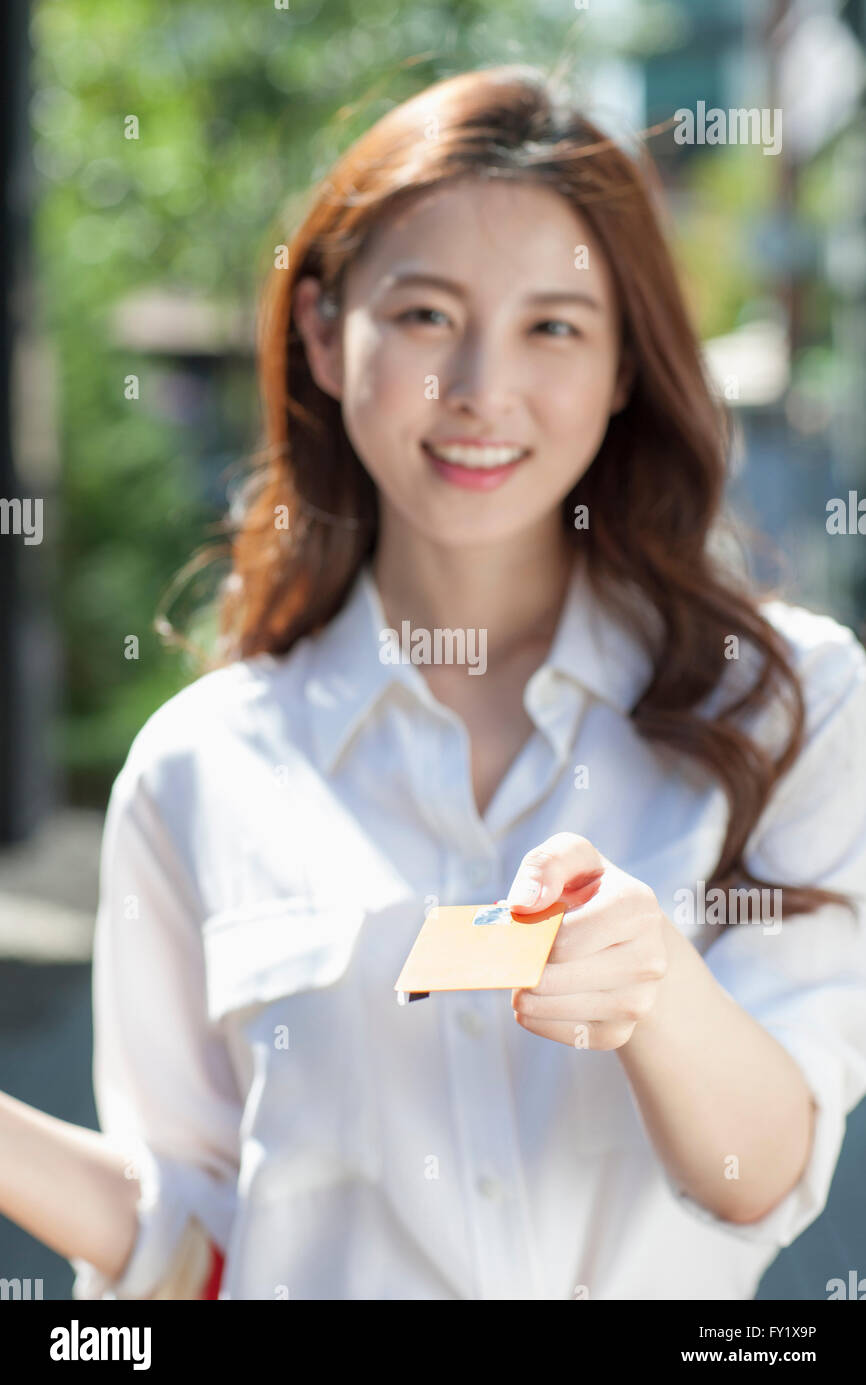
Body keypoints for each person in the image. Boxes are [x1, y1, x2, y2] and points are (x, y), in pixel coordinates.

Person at [2, 63, 865, 1301]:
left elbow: (757, 1172)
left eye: (551, 326)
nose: (478, 393)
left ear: (623, 365)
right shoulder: (196, 771)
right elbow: (192, 1228)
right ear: (321, 331)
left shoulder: (786, 704)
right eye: (422, 317)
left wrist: (653, 985)